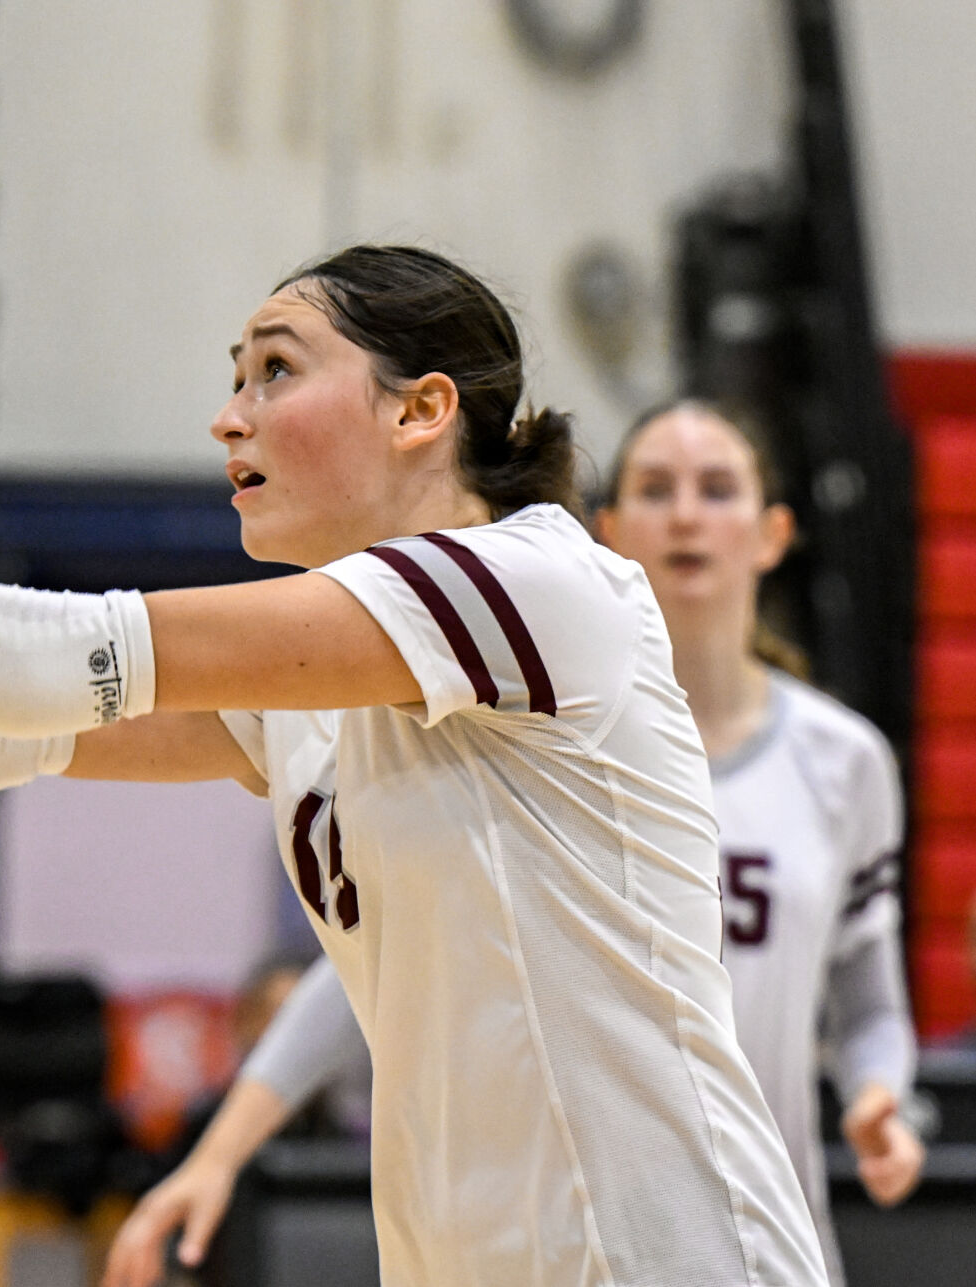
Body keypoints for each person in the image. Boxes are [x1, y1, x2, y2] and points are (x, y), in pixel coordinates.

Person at [0, 246, 830, 1286]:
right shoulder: (315, 693)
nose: (230, 416)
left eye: (277, 370)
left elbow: (69, 653)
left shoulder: (539, 583)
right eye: (233, 376)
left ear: (422, 408)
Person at [102, 399, 923, 1287]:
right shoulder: (502, 724)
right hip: (558, 1223)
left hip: (740, 1224)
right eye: (655, 487)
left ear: (771, 534)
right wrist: (218, 1152)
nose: (686, 514)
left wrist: (885, 1098)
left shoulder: (842, 762)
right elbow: (371, 973)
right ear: (604, 531)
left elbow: (868, 1001)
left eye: (717, 489)